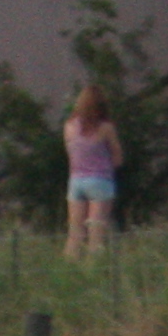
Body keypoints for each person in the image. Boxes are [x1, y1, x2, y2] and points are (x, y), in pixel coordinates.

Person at [62, 84, 123, 257]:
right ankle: (93, 274)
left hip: (75, 182)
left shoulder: (69, 127)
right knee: (96, 235)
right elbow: (117, 157)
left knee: (74, 235)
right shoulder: (105, 128)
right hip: (100, 181)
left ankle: (67, 272)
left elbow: (70, 155)